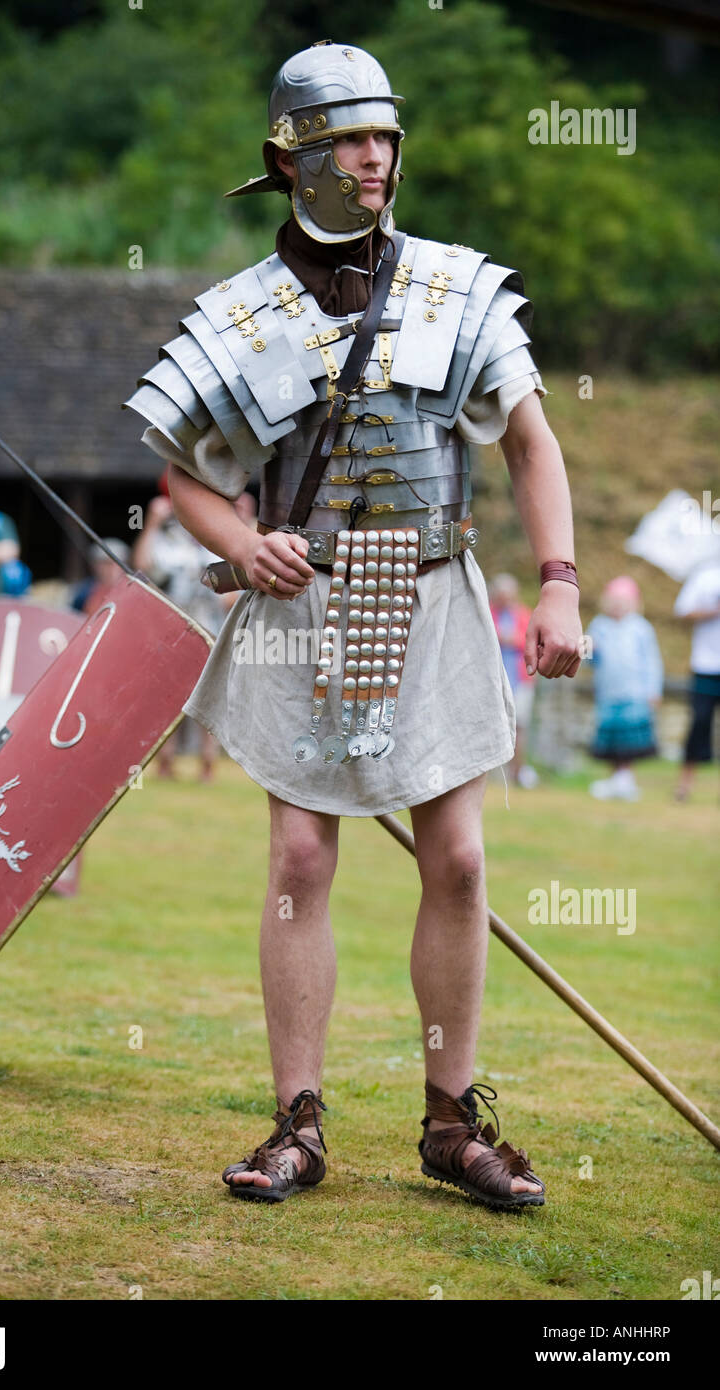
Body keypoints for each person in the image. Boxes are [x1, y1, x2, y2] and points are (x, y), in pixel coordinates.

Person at [124, 41, 582, 1210]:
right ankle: (297, 1121)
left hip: (430, 593)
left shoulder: (454, 288)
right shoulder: (239, 315)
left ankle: (448, 1121)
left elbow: (531, 444)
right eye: (348, 138)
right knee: (296, 859)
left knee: (461, 858)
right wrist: (239, 543)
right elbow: (177, 475)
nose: (374, 158)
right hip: (299, 604)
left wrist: (559, 582)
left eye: (384, 137)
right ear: (293, 156)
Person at [132, 476, 250, 781]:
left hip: (211, 627)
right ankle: (165, 763)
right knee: (167, 696)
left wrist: (245, 521)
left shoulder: (222, 535)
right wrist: (152, 523)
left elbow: (238, 588)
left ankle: (207, 764)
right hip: (171, 629)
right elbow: (143, 567)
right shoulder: (167, 538)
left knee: (210, 694)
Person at [586, 576, 663, 802]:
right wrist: (590, 647)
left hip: (635, 693)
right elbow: (583, 656)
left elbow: (652, 661)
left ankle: (626, 778)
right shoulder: (598, 625)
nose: (618, 606)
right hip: (607, 693)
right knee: (612, 739)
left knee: (630, 740)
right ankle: (615, 779)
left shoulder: (641, 628)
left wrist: (653, 690)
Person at [672, 556, 720, 802]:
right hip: (706, 665)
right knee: (699, 724)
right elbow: (682, 611)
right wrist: (713, 610)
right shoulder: (705, 575)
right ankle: (684, 785)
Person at [489, 573, 537, 788]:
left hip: (520, 679)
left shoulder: (524, 614)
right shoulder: (487, 612)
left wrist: (511, 639)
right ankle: (491, 773)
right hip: (492, 679)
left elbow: (531, 642)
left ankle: (518, 771)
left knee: (519, 726)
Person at [70, 538, 131, 616]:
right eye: (107, 563)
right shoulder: (83, 591)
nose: (114, 568)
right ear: (95, 565)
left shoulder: (131, 590)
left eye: (119, 563)